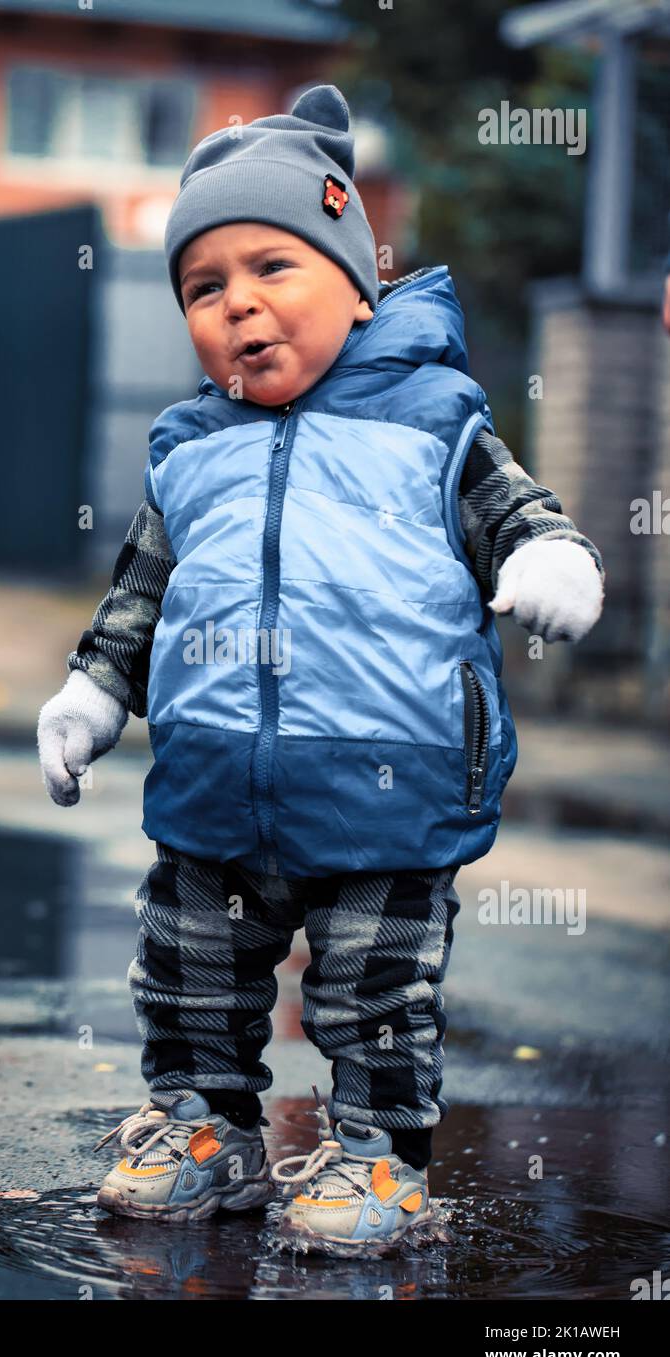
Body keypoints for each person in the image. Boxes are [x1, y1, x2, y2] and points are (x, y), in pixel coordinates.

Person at [37, 85, 605, 1254]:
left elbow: (515, 513)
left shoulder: (432, 416)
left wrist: (553, 556)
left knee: (371, 989)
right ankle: (205, 1125)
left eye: (272, 269)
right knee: (191, 972)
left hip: (386, 786)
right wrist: (92, 691)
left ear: (355, 283)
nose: (238, 305)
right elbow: (139, 595)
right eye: (204, 288)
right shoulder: (189, 447)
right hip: (210, 790)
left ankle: (375, 1154)